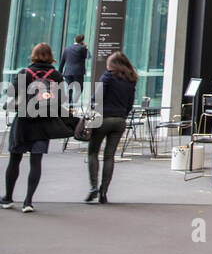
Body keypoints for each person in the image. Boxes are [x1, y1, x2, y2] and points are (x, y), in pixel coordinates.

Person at [3, 43, 72, 212]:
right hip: (44, 124)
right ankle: (28, 201)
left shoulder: (24, 73)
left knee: (14, 160)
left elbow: (11, 93)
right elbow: (62, 99)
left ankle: (8, 198)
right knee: (36, 162)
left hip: (23, 123)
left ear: (33, 55)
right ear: (51, 56)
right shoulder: (56, 75)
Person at [86, 51, 138, 204]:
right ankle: (104, 192)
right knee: (110, 156)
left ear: (112, 64)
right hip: (120, 120)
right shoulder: (131, 80)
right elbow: (129, 104)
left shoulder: (107, 77)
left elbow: (97, 99)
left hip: (103, 119)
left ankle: (93, 187)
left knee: (93, 152)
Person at [59, 34, 89, 105]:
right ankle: (74, 102)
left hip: (68, 72)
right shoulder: (82, 48)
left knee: (69, 88)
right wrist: (86, 47)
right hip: (78, 72)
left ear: (74, 40)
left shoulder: (67, 48)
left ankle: (69, 103)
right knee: (79, 88)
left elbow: (62, 62)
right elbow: (88, 56)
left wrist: (60, 72)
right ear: (82, 41)